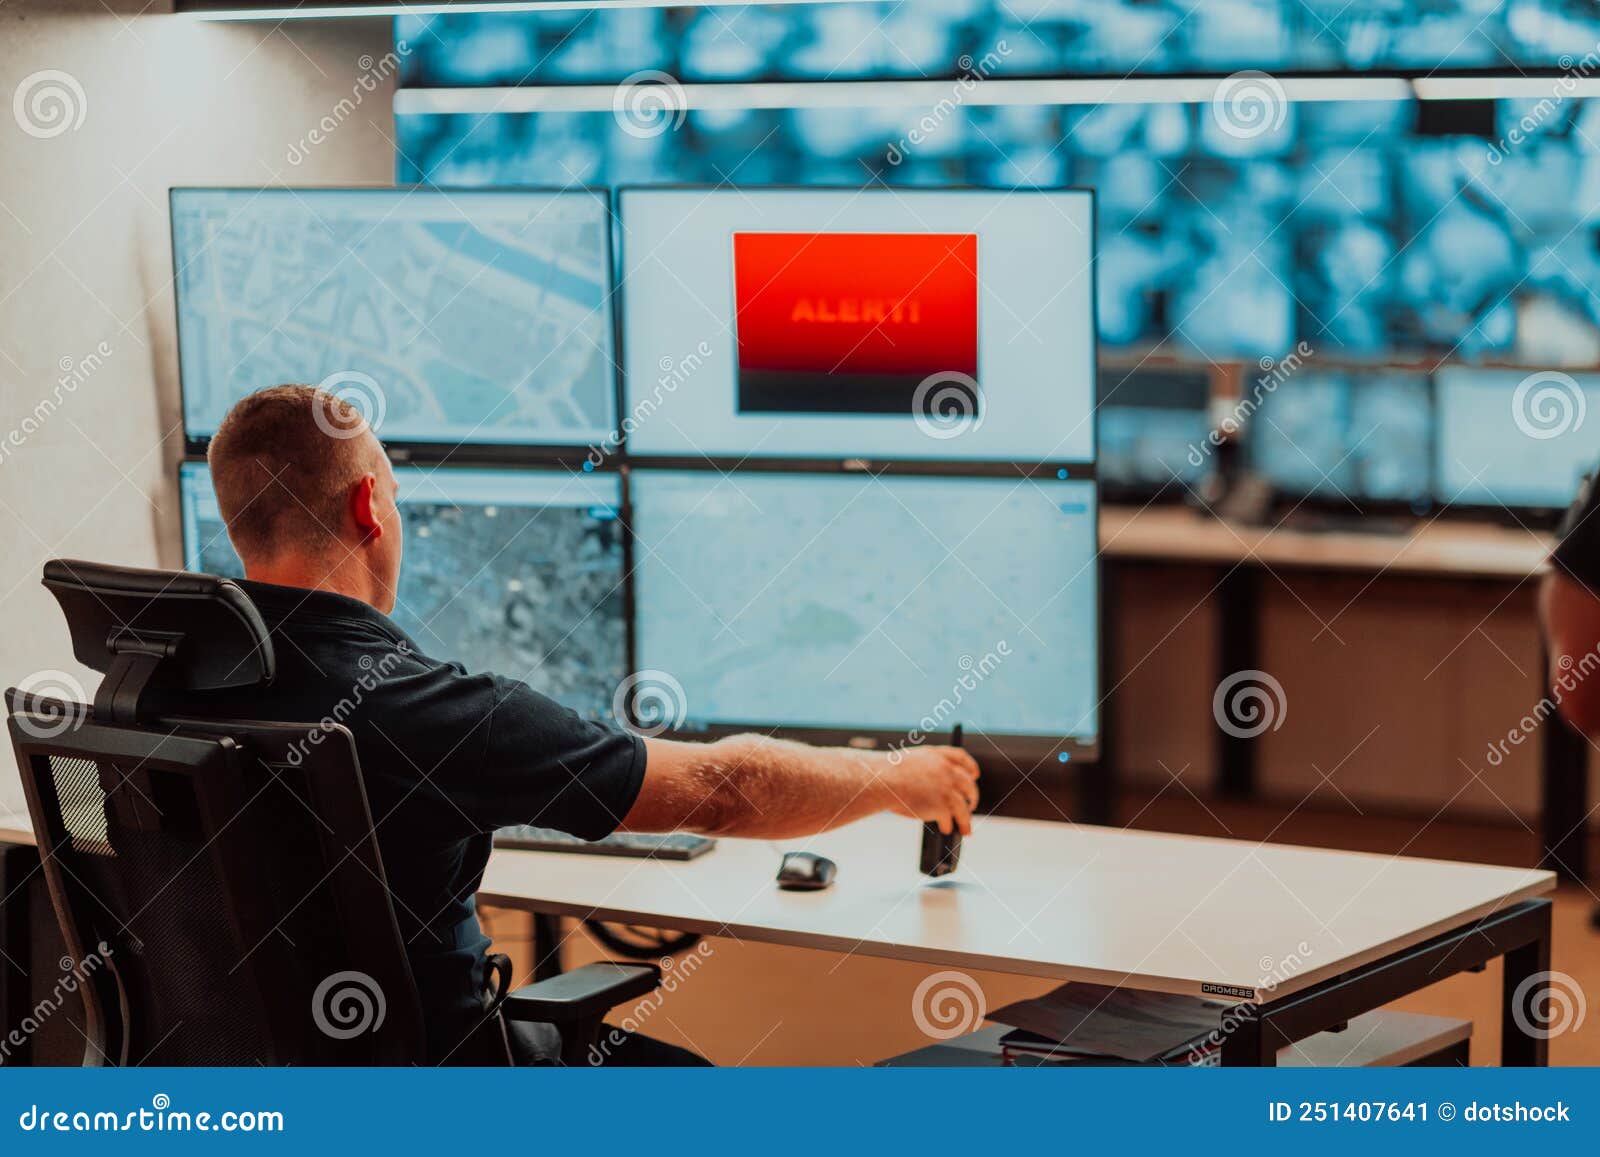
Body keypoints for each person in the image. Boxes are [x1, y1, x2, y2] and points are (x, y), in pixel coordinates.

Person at [194, 383, 981, 1066]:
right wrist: (895, 777)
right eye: (395, 496)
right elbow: (724, 791)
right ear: (369, 506)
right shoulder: (423, 711)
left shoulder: (159, 683)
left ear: (238, 525)